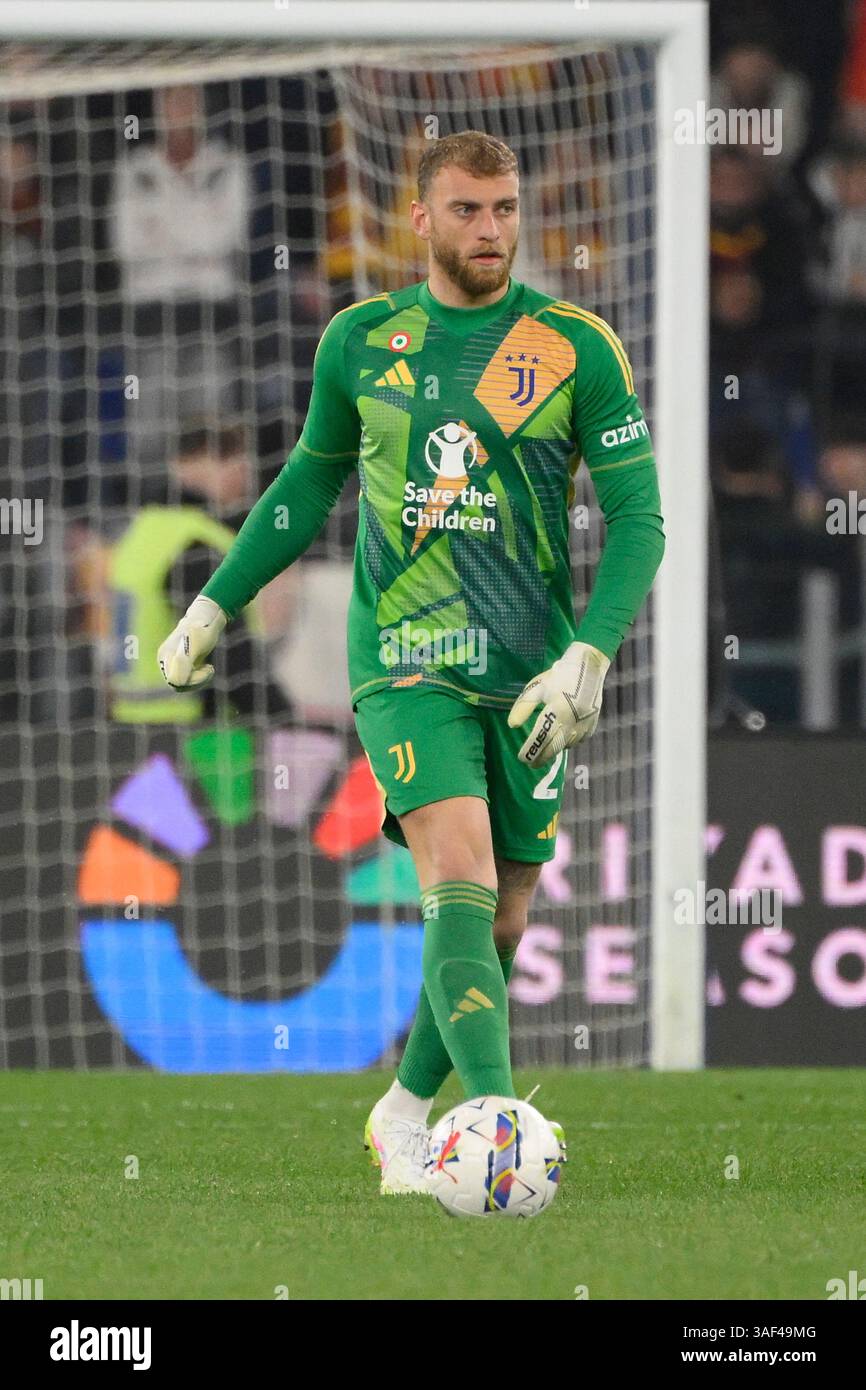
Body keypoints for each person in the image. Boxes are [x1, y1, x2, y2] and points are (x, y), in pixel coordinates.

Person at [157, 131, 665, 1193]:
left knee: (506, 913)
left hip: (531, 668)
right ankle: (497, 1135)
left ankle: (399, 1112)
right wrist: (214, 602)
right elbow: (308, 483)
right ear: (420, 219)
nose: (491, 229)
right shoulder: (360, 340)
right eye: (468, 209)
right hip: (405, 654)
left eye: (505, 208)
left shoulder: (575, 347)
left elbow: (638, 520)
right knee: (460, 872)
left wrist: (589, 651)